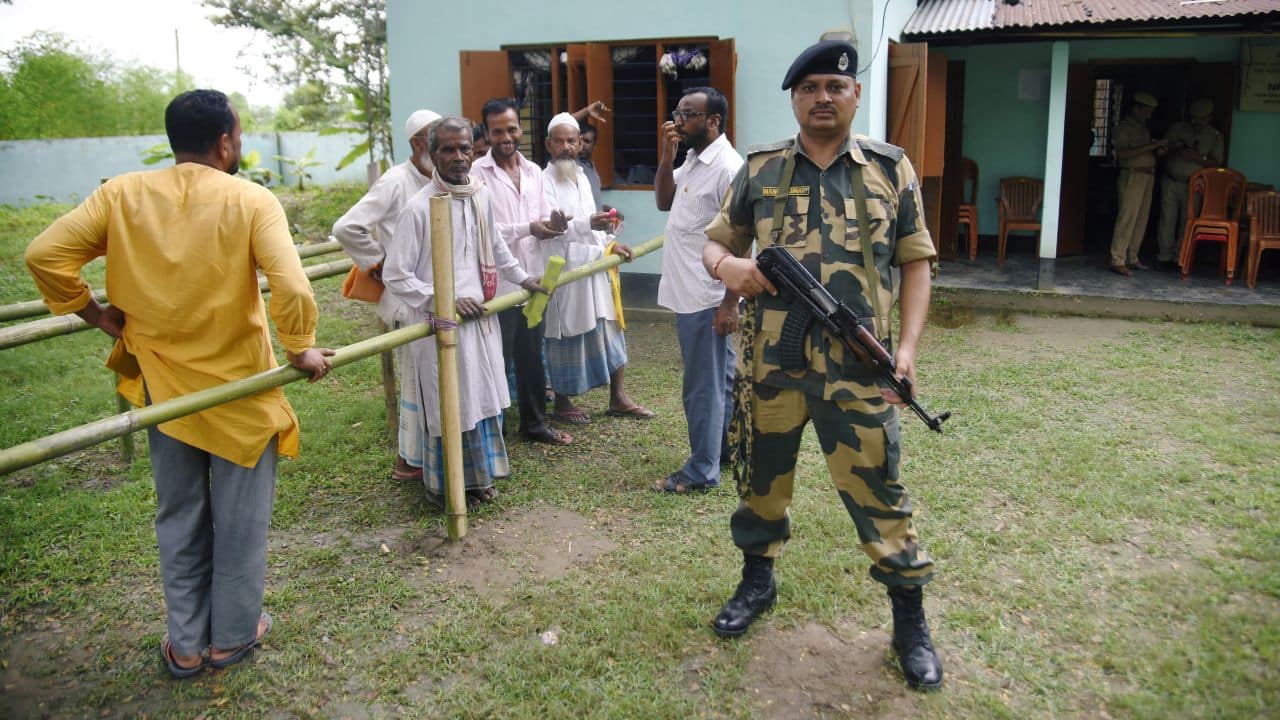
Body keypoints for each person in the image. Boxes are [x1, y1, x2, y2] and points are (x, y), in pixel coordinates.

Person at [24, 89, 333, 679]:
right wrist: (301, 348)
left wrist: (93, 312)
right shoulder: (250, 199)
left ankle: (187, 646)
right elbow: (291, 288)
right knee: (240, 523)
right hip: (239, 394)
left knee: (180, 516)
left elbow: (44, 254)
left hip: (164, 392)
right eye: (237, 138)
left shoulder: (121, 193)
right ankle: (232, 639)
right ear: (224, 142)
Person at [701, 40, 944, 691]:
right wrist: (732, 268)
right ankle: (758, 583)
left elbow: (916, 262)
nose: (822, 98)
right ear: (795, 98)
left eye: (835, 86)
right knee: (760, 484)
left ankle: (909, 619)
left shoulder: (891, 170)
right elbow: (716, 242)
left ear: (855, 95)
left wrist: (910, 352)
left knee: (881, 494)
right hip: (773, 368)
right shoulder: (761, 169)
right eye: (810, 88)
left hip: (861, 372)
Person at [382, 116, 547, 508]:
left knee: (480, 398)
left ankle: (479, 477)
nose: (458, 157)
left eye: (464, 148)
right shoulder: (418, 208)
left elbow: (497, 246)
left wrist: (523, 279)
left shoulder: (480, 194)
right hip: (441, 321)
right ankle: (446, 488)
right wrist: (443, 297)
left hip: (480, 317)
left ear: (474, 150)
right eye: (447, 149)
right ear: (431, 153)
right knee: (449, 403)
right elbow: (395, 274)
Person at [331, 108, 441, 482]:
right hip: (408, 300)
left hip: (435, 296)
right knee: (417, 379)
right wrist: (378, 263)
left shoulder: (440, 177)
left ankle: (432, 456)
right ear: (417, 143)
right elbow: (346, 227)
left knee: (434, 378)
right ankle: (409, 460)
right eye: (434, 137)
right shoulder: (396, 180)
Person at [652, 86, 743, 494]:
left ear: (713, 122)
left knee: (702, 386)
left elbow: (741, 240)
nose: (678, 120)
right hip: (688, 290)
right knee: (720, 379)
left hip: (707, 296)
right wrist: (667, 157)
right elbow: (662, 201)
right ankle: (722, 449)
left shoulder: (727, 167)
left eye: (688, 114)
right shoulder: (691, 159)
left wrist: (729, 303)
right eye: (678, 112)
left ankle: (701, 471)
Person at [471, 97, 574, 446]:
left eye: (511, 129)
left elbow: (543, 217)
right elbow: (484, 232)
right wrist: (529, 227)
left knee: (532, 356)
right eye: (497, 131)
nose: (505, 137)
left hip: (534, 279)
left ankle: (534, 424)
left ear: (520, 129)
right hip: (498, 285)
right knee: (496, 360)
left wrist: (554, 225)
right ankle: (491, 432)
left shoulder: (533, 171)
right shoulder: (475, 175)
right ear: (487, 132)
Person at [540, 113, 653, 423]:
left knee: (610, 326)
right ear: (548, 145)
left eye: (571, 141)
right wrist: (589, 228)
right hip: (563, 270)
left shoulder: (582, 176)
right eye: (559, 141)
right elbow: (550, 227)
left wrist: (609, 243)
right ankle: (562, 403)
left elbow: (594, 223)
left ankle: (618, 398)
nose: (565, 147)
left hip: (593, 264)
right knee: (564, 335)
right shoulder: (540, 180)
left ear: (580, 145)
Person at [1157, 98, 1224, 271]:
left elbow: (1217, 164)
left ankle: (1180, 257)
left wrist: (1197, 158)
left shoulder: (1215, 136)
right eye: (1194, 117)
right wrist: (1175, 148)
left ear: (1209, 117)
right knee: (1167, 219)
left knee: (1187, 221)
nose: (1196, 121)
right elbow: (1161, 150)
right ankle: (1164, 257)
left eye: (1201, 118)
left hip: (1193, 184)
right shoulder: (1177, 128)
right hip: (1171, 179)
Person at [1109, 91, 1166, 276]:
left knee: (1141, 219)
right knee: (1127, 217)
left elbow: (1145, 153)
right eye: (1146, 111)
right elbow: (1123, 154)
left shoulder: (1143, 127)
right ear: (1136, 108)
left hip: (1147, 176)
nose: (1149, 115)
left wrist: (1158, 151)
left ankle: (1132, 257)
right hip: (1132, 176)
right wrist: (1151, 146)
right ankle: (1117, 259)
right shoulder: (1124, 128)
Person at [578, 122, 604, 210]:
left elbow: (592, 201)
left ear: (595, 145)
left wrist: (606, 210)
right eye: (579, 141)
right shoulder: (573, 165)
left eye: (587, 141)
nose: (582, 145)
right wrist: (587, 111)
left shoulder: (591, 166)